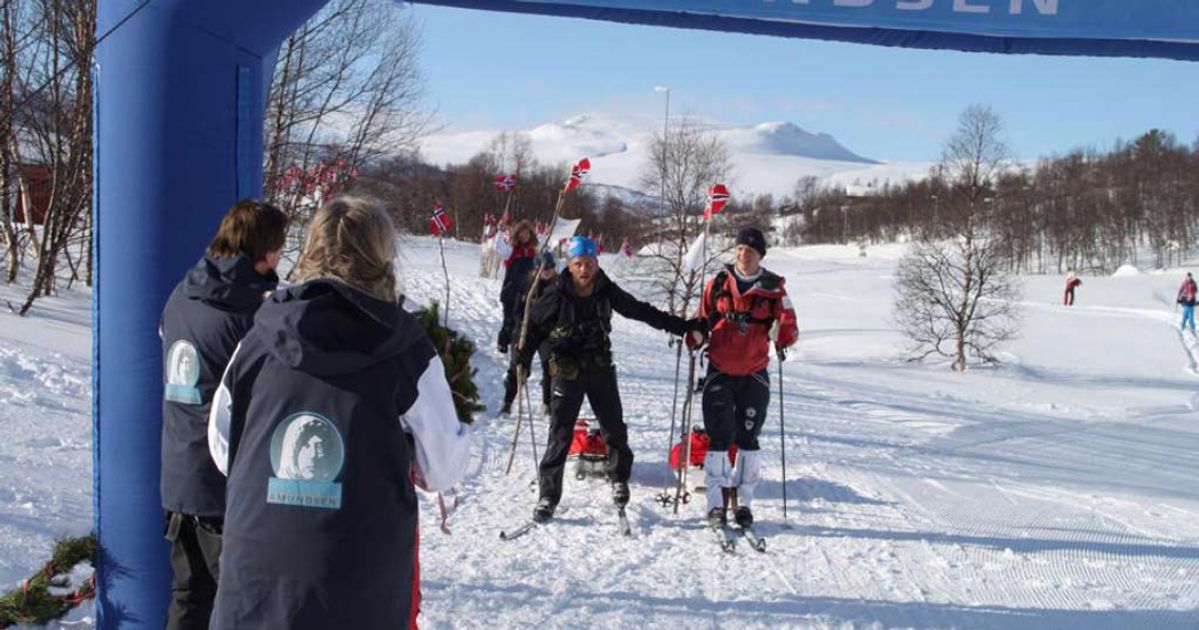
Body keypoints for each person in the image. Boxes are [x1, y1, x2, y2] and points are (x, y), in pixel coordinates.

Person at [207, 196, 471, 630]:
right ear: (382, 257)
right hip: (357, 588)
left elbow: (222, 449)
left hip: (256, 588)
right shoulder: (404, 348)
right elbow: (441, 468)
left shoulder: (258, 338)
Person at [159, 199, 287, 630]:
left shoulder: (183, 292)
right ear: (265, 251)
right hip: (226, 486)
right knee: (241, 607)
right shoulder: (250, 312)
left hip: (180, 475)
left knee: (189, 595)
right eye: (279, 247)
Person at [518, 236, 705, 522]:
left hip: (599, 368)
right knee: (560, 435)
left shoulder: (606, 289)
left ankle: (619, 478)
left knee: (613, 428)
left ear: (596, 263)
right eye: (579, 264)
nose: (584, 270)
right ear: (569, 265)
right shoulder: (556, 293)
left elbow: (640, 310)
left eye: (589, 263)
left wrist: (682, 327)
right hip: (566, 372)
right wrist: (521, 361)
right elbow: (532, 329)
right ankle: (548, 496)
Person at [687, 226, 798, 529]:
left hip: (754, 374)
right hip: (720, 371)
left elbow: (790, 327)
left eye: (750, 250)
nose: (743, 255)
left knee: (748, 440)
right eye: (739, 249)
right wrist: (695, 335)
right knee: (718, 439)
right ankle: (716, 504)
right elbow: (701, 317)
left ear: (760, 255)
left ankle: (744, 503)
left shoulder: (774, 289)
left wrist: (782, 333)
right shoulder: (718, 283)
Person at [500, 250, 557, 416]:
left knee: (551, 364)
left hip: (548, 332)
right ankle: (507, 401)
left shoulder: (559, 285)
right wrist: (518, 332)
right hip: (528, 330)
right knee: (519, 365)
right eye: (544, 268)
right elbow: (517, 310)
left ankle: (547, 403)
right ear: (536, 269)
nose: (547, 272)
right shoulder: (527, 285)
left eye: (551, 268)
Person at [495, 220, 538, 354]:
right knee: (509, 319)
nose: (524, 236)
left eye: (527, 233)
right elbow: (499, 248)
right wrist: (501, 232)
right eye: (522, 233)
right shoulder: (512, 250)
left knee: (521, 320)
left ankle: (516, 343)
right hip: (511, 290)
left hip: (526, 293)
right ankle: (503, 342)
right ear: (518, 235)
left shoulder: (533, 253)